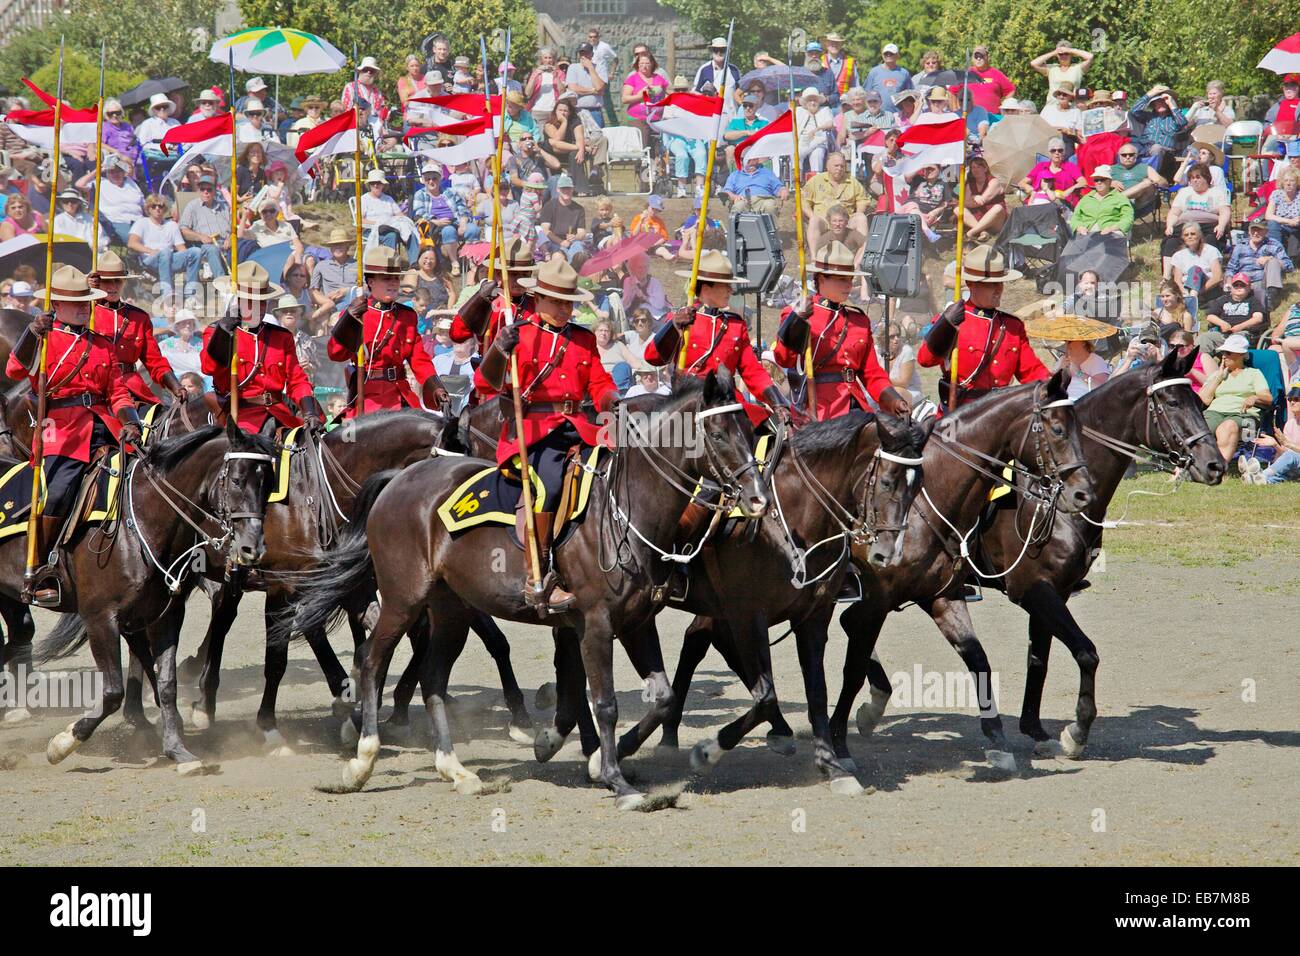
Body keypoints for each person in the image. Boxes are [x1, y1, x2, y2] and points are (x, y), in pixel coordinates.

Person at [475, 255, 618, 611]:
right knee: (550, 484)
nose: (564, 309)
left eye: (568, 303)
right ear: (537, 299)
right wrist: (498, 350)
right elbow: (486, 383)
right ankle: (537, 575)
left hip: (579, 429)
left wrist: (612, 403)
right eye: (556, 302)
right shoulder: (517, 333)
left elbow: (600, 384)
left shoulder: (583, 339)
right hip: (531, 432)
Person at [6, 265, 142, 605]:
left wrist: (131, 420)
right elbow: (14, 370)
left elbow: (119, 392)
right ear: (57, 304)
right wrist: (32, 333)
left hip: (104, 425)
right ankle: (40, 568)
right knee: (57, 492)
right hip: (63, 430)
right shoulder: (45, 337)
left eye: (87, 301)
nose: (84, 307)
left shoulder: (102, 345)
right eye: (76, 302)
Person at [644, 249, 790, 427]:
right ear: (706, 288)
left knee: (772, 432)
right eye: (725, 285)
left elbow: (754, 372)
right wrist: (673, 327)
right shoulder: (681, 319)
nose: (730, 289)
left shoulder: (736, 326)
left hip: (727, 403)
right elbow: (652, 357)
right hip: (688, 401)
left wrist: (777, 401)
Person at [774, 241, 910, 420]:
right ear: (821, 278)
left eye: (850, 279)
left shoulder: (859, 321)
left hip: (856, 406)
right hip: (817, 408)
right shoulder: (798, 314)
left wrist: (893, 399)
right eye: (842, 279)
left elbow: (872, 374)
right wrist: (797, 320)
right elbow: (783, 358)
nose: (849, 285)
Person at [917, 246, 1049, 408]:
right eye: (991, 284)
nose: (999, 289)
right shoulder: (952, 322)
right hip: (960, 415)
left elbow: (1032, 372)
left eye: (1000, 283)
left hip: (1000, 414)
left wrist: (1055, 383)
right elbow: (925, 360)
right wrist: (946, 323)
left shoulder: (1012, 327)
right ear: (971, 284)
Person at [201, 261, 324, 435]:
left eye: (263, 302)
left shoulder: (280, 337)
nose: (259, 309)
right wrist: (223, 332)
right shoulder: (217, 333)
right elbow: (208, 368)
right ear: (239, 302)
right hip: (240, 416)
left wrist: (309, 411)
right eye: (251, 303)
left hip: (279, 415)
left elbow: (297, 380)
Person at [327, 247, 448, 417]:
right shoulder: (356, 313)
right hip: (368, 395)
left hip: (402, 394)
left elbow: (420, 360)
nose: (393, 283)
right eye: (386, 278)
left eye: (396, 278)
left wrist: (436, 386)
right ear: (370, 282)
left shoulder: (407, 316)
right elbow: (335, 354)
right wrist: (349, 318)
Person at [88, 250, 187, 409]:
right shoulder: (85, 312)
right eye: (107, 281)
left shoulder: (139, 317)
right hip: (95, 385)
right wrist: (87, 295)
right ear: (96, 282)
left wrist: (175, 386)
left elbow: (154, 360)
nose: (113, 286)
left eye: (118, 281)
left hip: (130, 386)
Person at [451, 238, 540, 393]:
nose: (519, 280)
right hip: (491, 384)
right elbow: (457, 334)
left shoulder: (538, 306)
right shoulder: (488, 303)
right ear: (499, 275)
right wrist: (479, 298)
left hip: (530, 385)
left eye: (524, 274)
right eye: (513, 274)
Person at [1197, 333, 1271, 462]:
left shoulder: (1253, 373)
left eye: (1229, 353)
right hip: (1214, 412)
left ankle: (1219, 470)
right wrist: (1218, 378)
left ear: (1241, 355)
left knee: (1228, 426)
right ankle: (1184, 469)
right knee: (1198, 428)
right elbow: (1205, 399)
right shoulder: (1217, 374)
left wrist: (1254, 398)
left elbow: (1268, 398)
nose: (1224, 356)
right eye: (1223, 353)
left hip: (1242, 414)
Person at [128, 195, 203, 298]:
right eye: (154, 206)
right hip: (150, 259)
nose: (158, 208)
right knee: (166, 252)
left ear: (165, 209)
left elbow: (181, 249)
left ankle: (191, 295)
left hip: (170, 258)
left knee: (195, 251)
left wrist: (188, 257)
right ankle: (167, 294)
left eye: (161, 206)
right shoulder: (142, 222)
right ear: (148, 208)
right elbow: (132, 243)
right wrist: (151, 251)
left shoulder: (172, 225)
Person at [804, 152, 870, 254]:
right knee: (814, 221)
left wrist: (859, 212)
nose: (839, 168)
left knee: (861, 218)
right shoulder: (816, 181)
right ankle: (815, 258)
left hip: (846, 222)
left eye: (842, 166)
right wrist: (811, 216)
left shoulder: (852, 181)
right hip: (824, 221)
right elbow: (804, 202)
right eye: (836, 165)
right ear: (827, 166)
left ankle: (859, 260)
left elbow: (862, 199)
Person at [1224, 218, 1293, 315]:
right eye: (1253, 230)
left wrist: (1270, 259)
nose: (1256, 233)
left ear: (1266, 231)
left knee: (1273, 262)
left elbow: (1289, 266)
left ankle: (1270, 298)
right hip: (1243, 281)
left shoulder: (1274, 244)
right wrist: (1229, 283)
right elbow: (1231, 268)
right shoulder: (1240, 246)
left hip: (1263, 281)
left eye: (1259, 230)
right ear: (1248, 231)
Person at [177, 173, 234, 277]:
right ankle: (222, 283)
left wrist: (230, 238)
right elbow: (183, 230)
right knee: (212, 250)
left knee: (244, 245)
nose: (206, 192)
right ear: (198, 190)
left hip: (226, 244)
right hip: (205, 245)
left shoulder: (224, 206)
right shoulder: (192, 206)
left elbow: (233, 228)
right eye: (202, 189)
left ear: (215, 191)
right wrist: (200, 236)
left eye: (209, 190)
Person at [361, 168, 420, 263]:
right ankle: (389, 264)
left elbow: (399, 215)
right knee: (391, 236)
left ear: (383, 185)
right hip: (372, 229)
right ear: (369, 185)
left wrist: (400, 221)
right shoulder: (364, 199)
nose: (375, 185)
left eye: (378, 183)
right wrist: (378, 223)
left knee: (410, 233)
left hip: (391, 227)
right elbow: (360, 220)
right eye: (373, 183)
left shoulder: (388, 199)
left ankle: (414, 262)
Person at [1243, 387, 1300, 484]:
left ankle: (1261, 473)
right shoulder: (1290, 424)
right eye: (1290, 399)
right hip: (1295, 467)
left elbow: (1291, 454)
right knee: (1280, 475)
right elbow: (1285, 455)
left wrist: (1288, 444)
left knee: (1291, 456)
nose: (1292, 402)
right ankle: (1259, 480)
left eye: (1296, 399)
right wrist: (1275, 445)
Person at [1130, 85, 1189, 173]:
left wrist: (1172, 105)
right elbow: (1134, 111)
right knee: (1128, 148)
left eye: (1163, 101)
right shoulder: (1148, 117)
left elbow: (1182, 122)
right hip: (1145, 148)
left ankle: (1150, 177)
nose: (1160, 103)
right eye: (1157, 101)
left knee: (1156, 148)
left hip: (1166, 152)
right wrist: (1150, 94)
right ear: (1153, 104)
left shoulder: (1174, 118)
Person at [310, 227, 359, 322]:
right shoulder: (321, 266)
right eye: (335, 245)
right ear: (330, 248)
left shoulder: (358, 265)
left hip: (354, 303)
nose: (338, 248)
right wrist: (325, 300)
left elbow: (366, 288)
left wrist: (346, 291)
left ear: (348, 246)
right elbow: (313, 291)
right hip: (332, 305)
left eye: (341, 244)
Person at [1069, 165, 1135, 236]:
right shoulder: (1086, 198)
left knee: (1115, 236)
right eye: (1096, 180)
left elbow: (1128, 218)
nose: (1099, 182)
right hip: (1087, 232)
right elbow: (1075, 217)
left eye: (1102, 179)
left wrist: (1112, 228)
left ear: (1110, 181)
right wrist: (1079, 227)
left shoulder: (1120, 198)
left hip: (1111, 231)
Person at [1019, 138, 1086, 207]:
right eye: (1053, 150)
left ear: (1064, 152)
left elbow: (1083, 182)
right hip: (1039, 203)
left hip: (1064, 204)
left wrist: (1068, 191)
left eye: (1060, 150)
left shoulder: (1070, 167)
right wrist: (1031, 190)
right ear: (1049, 152)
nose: (1057, 153)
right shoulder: (1041, 166)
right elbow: (1022, 183)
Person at [537, 174, 589, 262]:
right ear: (557, 189)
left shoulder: (579, 209)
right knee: (557, 253)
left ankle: (571, 268)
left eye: (568, 188)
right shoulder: (549, 206)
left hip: (573, 242)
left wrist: (575, 237)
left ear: (573, 189)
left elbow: (582, 233)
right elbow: (545, 230)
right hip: (554, 241)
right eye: (563, 188)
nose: (566, 191)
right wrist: (561, 242)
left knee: (579, 248)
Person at [622, 51, 670, 144]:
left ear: (652, 64)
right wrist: (640, 96)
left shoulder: (659, 78)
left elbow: (669, 93)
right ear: (637, 64)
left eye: (647, 63)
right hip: (638, 119)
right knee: (643, 145)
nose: (644, 66)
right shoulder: (632, 79)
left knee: (658, 148)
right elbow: (624, 99)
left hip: (657, 119)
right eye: (641, 63)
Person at [1203, 273, 1266, 339]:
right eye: (1235, 285)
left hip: (1243, 333)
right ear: (1231, 287)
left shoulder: (1253, 301)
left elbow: (1258, 318)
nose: (1238, 288)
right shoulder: (1223, 300)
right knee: (1204, 338)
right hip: (1222, 333)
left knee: (1235, 339)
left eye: (1242, 285)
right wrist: (1222, 323)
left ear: (1249, 288)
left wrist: (1240, 327)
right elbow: (1210, 316)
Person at [1110, 141, 1167, 212]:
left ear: (1136, 156)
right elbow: (1098, 184)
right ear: (1119, 156)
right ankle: (1118, 199)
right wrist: (1110, 183)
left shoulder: (1145, 168)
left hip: (1139, 203)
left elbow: (1163, 183)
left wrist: (1154, 182)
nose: (1127, 157)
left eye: (1131, 155)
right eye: (1124, 155)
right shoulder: (1110, 169)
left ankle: (1117, 199)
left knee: (1147, 184)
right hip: (1118, 205)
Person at [723, 155, 787, 215]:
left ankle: (769, 226)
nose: (751, 162)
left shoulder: (767, 173)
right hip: (743, 200)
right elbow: (727, 191)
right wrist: (734, 197)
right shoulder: (735, 175)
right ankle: (737, 227)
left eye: (753, 158)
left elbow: (778, 187)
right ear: (741, 161)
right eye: (747, 160)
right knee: (738, 207)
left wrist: (783, 190)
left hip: (764, 199)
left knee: (770, 206)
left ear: (757, 159)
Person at [964, 157, 1009, 242]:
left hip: (995, 219)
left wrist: (973, 197)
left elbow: (982, 201)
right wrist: (975, 197)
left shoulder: (994, 182)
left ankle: (970, 233)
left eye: (978, 167)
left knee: (998, 208)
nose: (975, 170)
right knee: (958, 209)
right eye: (973, 167)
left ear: (985, 169)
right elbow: (966, 203)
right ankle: (983, 231)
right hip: (978, 216)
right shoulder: (970, 184)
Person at [566, 43, 607, 130]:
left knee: (597, 138)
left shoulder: (600, 68)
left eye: (586, 53)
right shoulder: (573, 67)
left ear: (592, 54)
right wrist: (593, 91)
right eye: (581, 53)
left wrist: (591, 68)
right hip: (578, 110)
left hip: (594, 111)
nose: (583, 56)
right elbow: (573, 88)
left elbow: (599, 87)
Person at [795, 87, 836, 174]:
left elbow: (831, 124)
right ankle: (798, 180)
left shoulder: (824, 110)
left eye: (815, 100)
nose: (813, 102)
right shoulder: (798, 111)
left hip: (818, 140)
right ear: (805, 102)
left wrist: (816, 129)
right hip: (801, 140)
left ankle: (816, 179)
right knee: (796, 154)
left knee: (817, 154)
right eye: (810, 100)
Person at [968, 45, 1016, 117]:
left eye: (981, 56)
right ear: (972, 59)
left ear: (987, 57)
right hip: (971, 117)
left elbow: (1011, 90)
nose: (978, 59)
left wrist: (1005, 106)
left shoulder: (997, 74)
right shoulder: (966, 73)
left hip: (993, 117)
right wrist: (956, 111)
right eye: (976, 56)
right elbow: (952, 91)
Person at [864, 42, 910, 113]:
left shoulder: (904, 73)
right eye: (886, 53)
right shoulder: (874, 72)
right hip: (877, 115)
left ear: (897, 55)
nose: (888, 55)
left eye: (891, 53)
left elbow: (909, 95)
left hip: (898, 116)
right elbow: (866, 93)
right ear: (882, 55)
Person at [594, 319, 637, 391]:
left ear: (611, 334)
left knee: (623, 367)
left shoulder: (618, 345)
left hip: (619, 383)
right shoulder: (588, 347)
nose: (603, 333)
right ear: (594, 332)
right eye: (600, 330)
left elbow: (635, 363)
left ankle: (618, 397)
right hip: (598, 383)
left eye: (607, 331)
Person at [1265, 166, 1300, 253]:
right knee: (1272, 223)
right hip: (1282, 225)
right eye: (1286, 181)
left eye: (1292, 181)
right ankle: (1277, 253)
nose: (1288, 183)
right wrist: (1288, 221)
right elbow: (1268, 215)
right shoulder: (1277, 194)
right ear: (1282, 183)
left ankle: (1294, 257)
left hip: (1297, 224)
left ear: (1297, 183)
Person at [693, 37, 740, 101]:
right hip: (710, 110)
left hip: (730, 110)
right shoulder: (704, 70)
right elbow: (696, 92)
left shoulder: (734, 70)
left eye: (722, 50)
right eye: (716, 50)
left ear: (727, 52)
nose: (719, 53)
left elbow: (740, 92)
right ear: (712, 51)